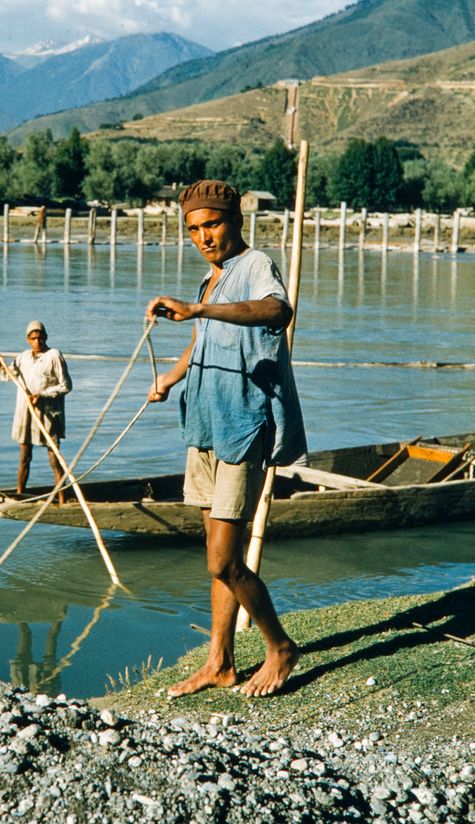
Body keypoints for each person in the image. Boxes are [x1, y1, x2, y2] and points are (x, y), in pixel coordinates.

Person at [146, 179, 307, 699]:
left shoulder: (256, 265)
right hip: (205, 425)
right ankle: (220, 661)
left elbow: (277, 311)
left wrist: (198, 309)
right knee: (219, 556)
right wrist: (169, 379)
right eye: (194, 229)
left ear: (235, 221)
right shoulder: (209, 280)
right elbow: (202, 340)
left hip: (243, 425)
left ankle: (280, 646)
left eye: (212, 224)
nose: (204, 237)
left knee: (223, 560)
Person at [0, 322, 72, 501]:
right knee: (24, 458)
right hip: (26, 413)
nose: (37, 342)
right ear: (28, 340)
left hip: (48, 414)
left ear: (45, 337)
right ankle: (20, 496)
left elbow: (66, 385)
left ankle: (63, 500)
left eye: (40, 338)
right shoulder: (23, 357)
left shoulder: (54, 355)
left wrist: (42, 395)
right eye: (33, 339)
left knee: (54, 461)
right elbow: (3, 375)